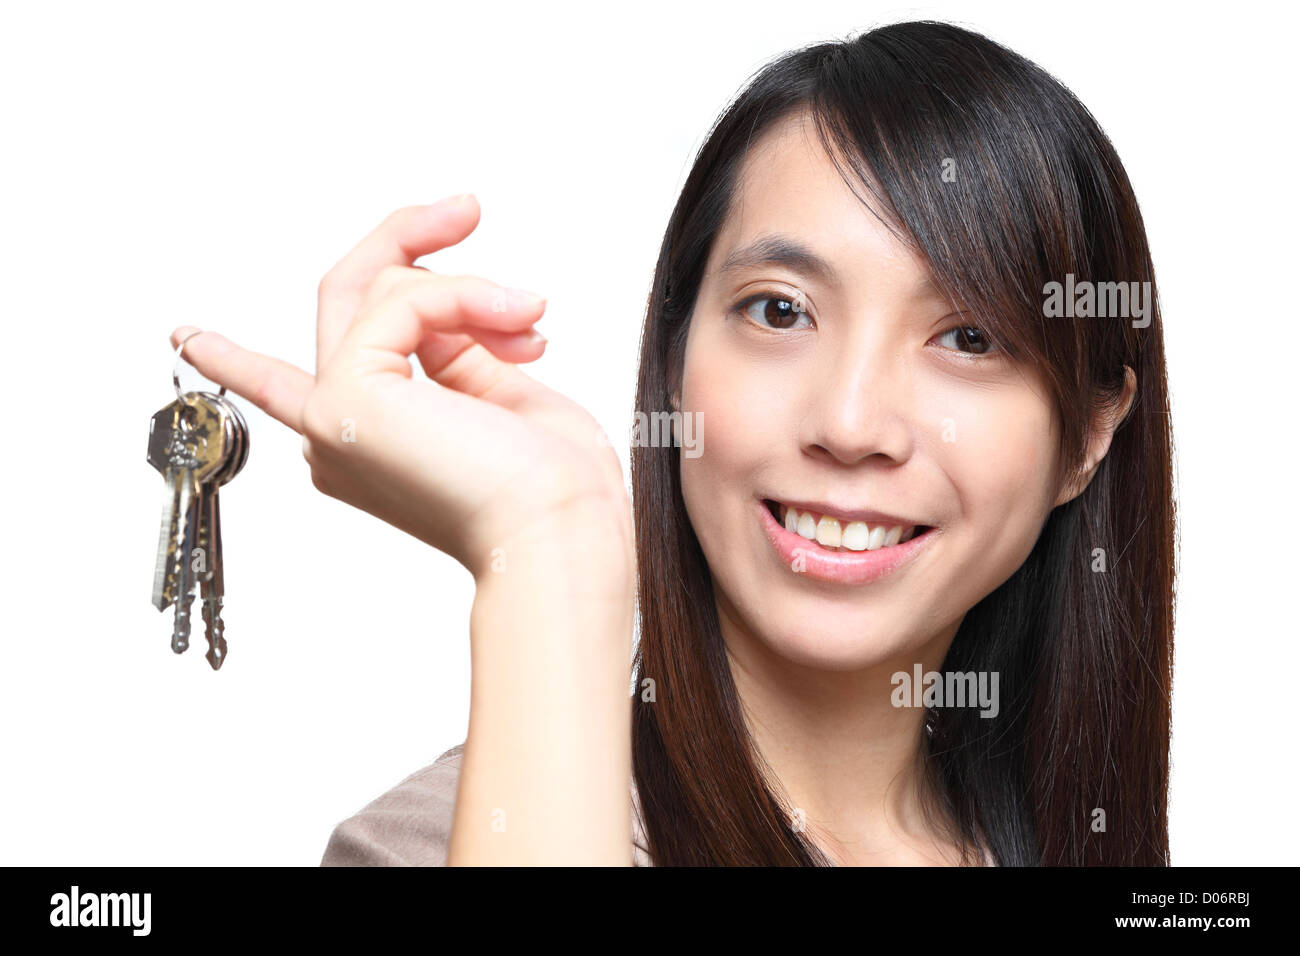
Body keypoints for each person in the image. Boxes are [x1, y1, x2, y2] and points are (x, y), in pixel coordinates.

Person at [174, 20, 1175, 866]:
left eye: (968, 338)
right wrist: (548, 548)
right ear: (672, 359)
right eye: (779, 310)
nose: (849, 423)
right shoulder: (447, 843)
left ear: (1087, 438)